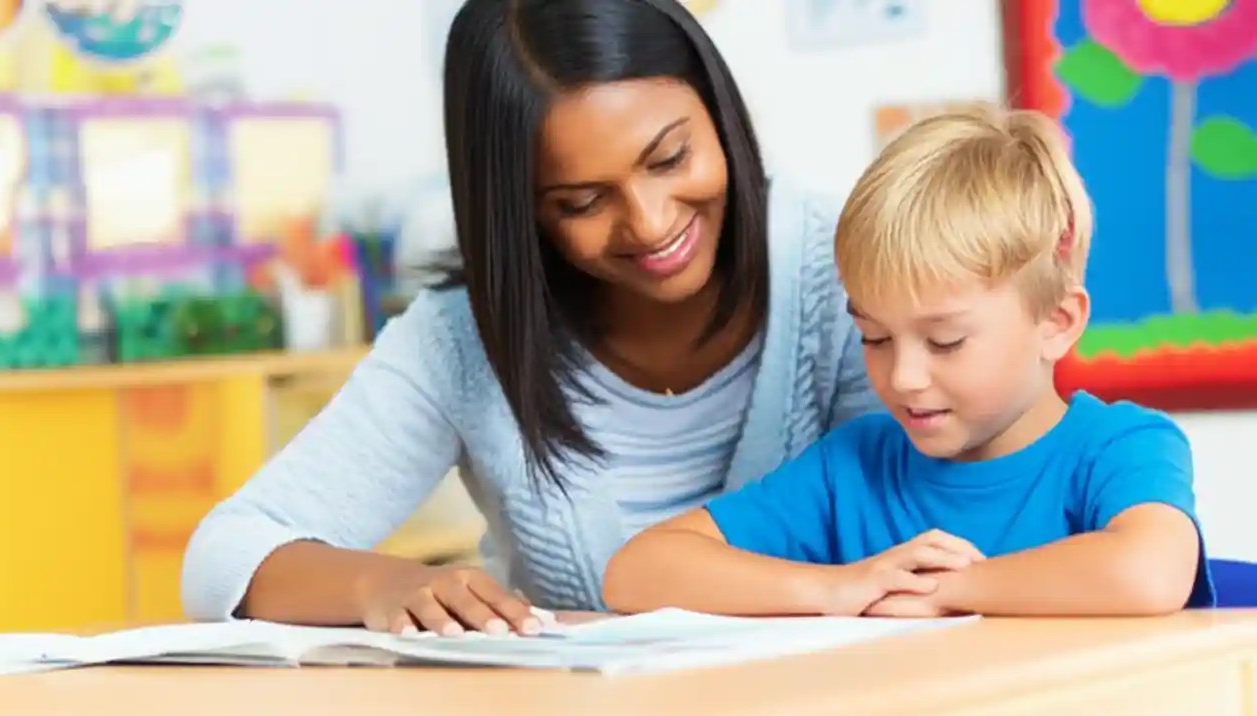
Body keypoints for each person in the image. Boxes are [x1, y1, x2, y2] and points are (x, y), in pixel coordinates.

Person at [180, 0, 880, 636]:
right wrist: (386, 584)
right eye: (581, 202)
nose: (651, 223)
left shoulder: (849, 268)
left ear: (718, 109)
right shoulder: (461, 339)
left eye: (670, 158)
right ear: (518, 210)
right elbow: (226, 552)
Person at [602, 108, 1217, 618]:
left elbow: (1149, 572)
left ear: (1055, 323)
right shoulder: (855, 465)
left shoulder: (1120, 447)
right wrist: (841, 589)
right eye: (873, 337)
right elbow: (636, 573)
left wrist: (944, 589)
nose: (902, 378)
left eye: (945, 342)